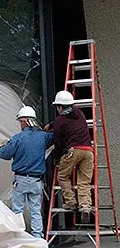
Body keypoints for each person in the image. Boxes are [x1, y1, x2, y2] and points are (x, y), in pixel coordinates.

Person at [0, 105, 53, 238]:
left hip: (21, 179)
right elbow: (55, 137)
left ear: (23, 121)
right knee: (35, 210)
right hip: (36, 180)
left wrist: (3, 146)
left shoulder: (18, 138)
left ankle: (19, 237)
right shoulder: (43, 137)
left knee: (17, 210)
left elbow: (4, 154)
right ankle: (38, 238)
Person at [50, 90, 94, 223]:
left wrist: (56, 157)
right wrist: (52, 125)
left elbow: (58, 143)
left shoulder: (60, 120)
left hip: (73, 151)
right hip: (88, 150)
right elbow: (67, 123)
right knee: (84, 181)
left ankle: (70, 202)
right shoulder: (79, 113)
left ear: (60, 106)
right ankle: (85, 206)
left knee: (63, 176)